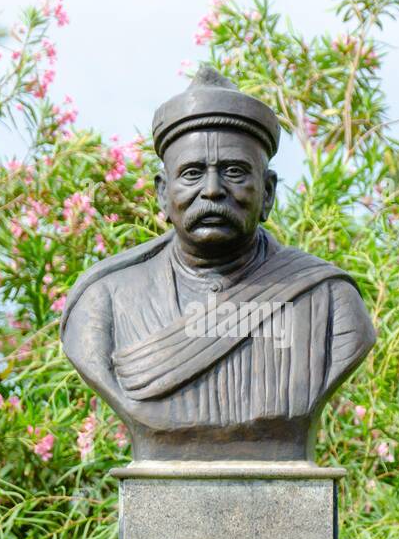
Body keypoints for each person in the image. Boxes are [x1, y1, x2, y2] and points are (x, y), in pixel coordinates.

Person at [60, 66, 376, 462]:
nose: (212, 190)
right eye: (192, 174)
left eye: (234, 171)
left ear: (268, 192)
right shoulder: (101, 304)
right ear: (162, 194)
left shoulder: (331, 302)